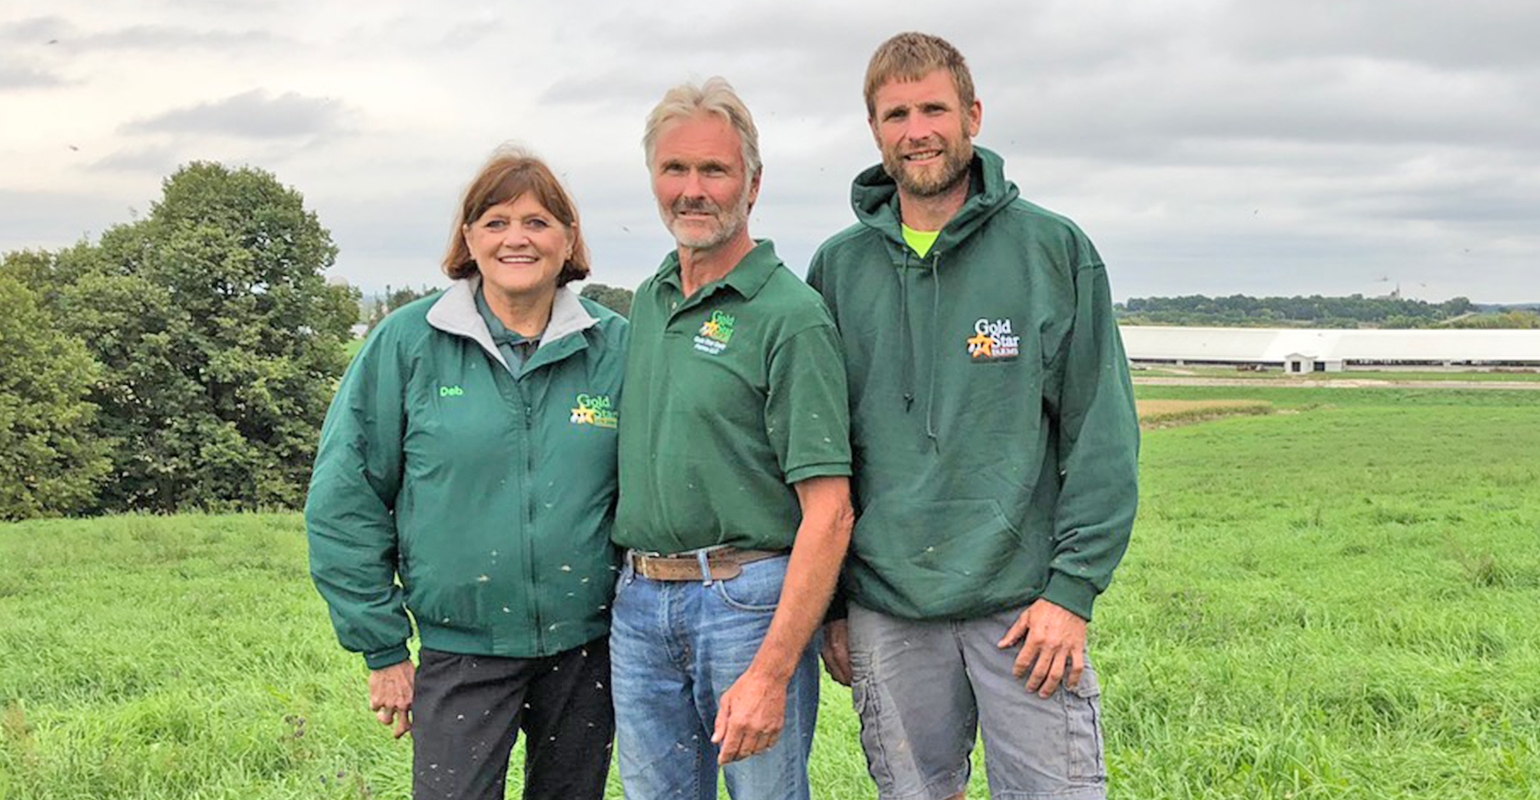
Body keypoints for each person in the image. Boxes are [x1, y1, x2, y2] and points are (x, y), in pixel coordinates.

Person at [807, 32, 1139, 800]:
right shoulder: (837, 268)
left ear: (973, 116)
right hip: (888, 609)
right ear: (875, 131)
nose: (916, 129)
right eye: (896, 114)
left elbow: (1102, 435)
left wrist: (1072, 591)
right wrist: (833, 605)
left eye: (934, 109)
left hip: (1026, 612)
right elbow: (820, 452)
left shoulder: (1053, 251)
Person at [305, 149, 627, 800]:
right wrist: (384, 647)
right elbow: (346, 495)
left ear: (568, 240)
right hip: (462, 649)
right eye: (496, 221)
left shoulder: (616, 346)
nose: (517, 238)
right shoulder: (408, 343)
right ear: (468, 239)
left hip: (587, 646)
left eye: (537, 222)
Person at [610, 77, 854, 800]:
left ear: (752, 185)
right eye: (674, 169)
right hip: (640, 598)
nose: (692, 189)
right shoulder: (650, 302)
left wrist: (772, 671)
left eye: (714, 170)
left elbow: (830, 510)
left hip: (743, 602)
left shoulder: (790, 315)